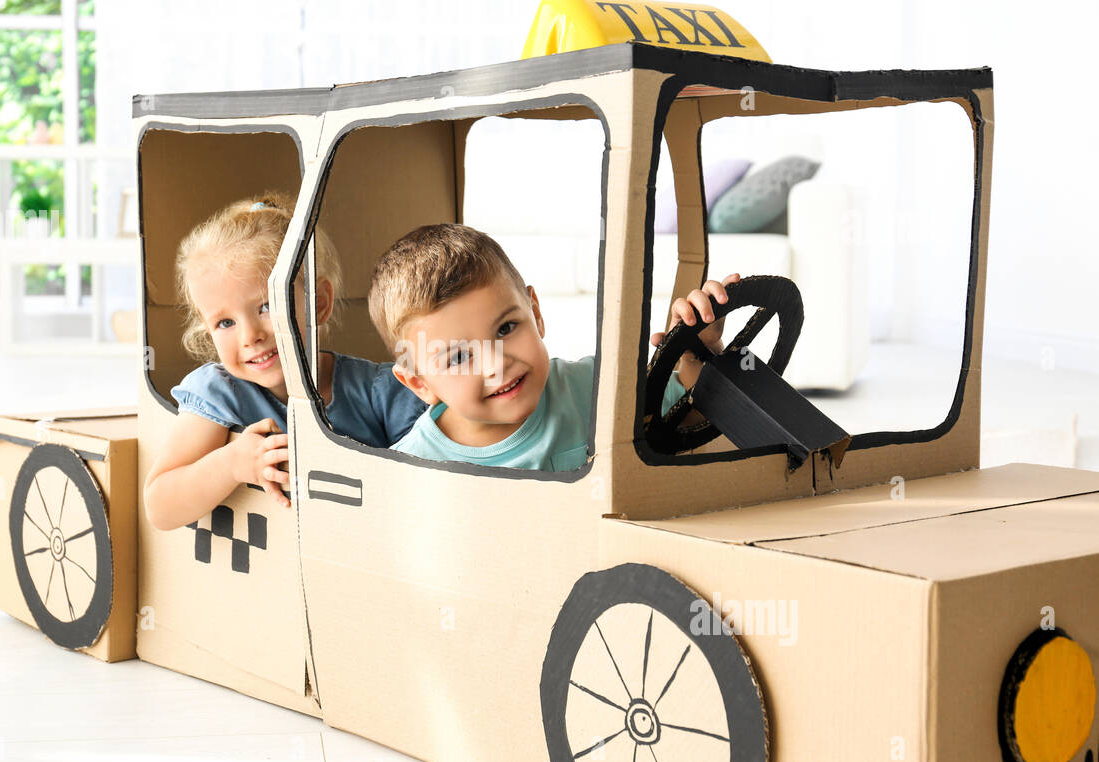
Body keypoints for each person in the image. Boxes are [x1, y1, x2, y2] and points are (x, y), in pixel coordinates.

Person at [143, 193, 426, 528]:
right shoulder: (220, 393)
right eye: (225, 323)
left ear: (319, 303)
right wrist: (232, 464)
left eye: (267, 307)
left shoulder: (380, 391)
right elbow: (160, 506)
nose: (250, 336)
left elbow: (430, 483)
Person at [367, 223, 738, 471]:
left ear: (536, 312)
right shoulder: (410, 469)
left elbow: (696, 422)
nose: (497, 364)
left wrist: (697, 351)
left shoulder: (597, 386)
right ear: (420, 384)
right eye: (460, 357)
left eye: (506, 327)